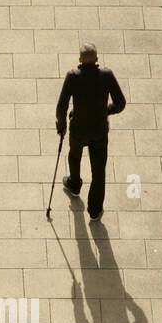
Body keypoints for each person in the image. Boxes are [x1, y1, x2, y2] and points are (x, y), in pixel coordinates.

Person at [55, 43, 126, 222]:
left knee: (74, 155)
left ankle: (75, 183)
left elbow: (62, 105)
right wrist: (106, 111)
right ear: (97, 59)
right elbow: (120, 103)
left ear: (80, 60)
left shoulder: (73, 77)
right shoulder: (107, 75)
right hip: (99, 130)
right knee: (99, 170)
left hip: (78, 127)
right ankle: (94, 209)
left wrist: (61, 125)